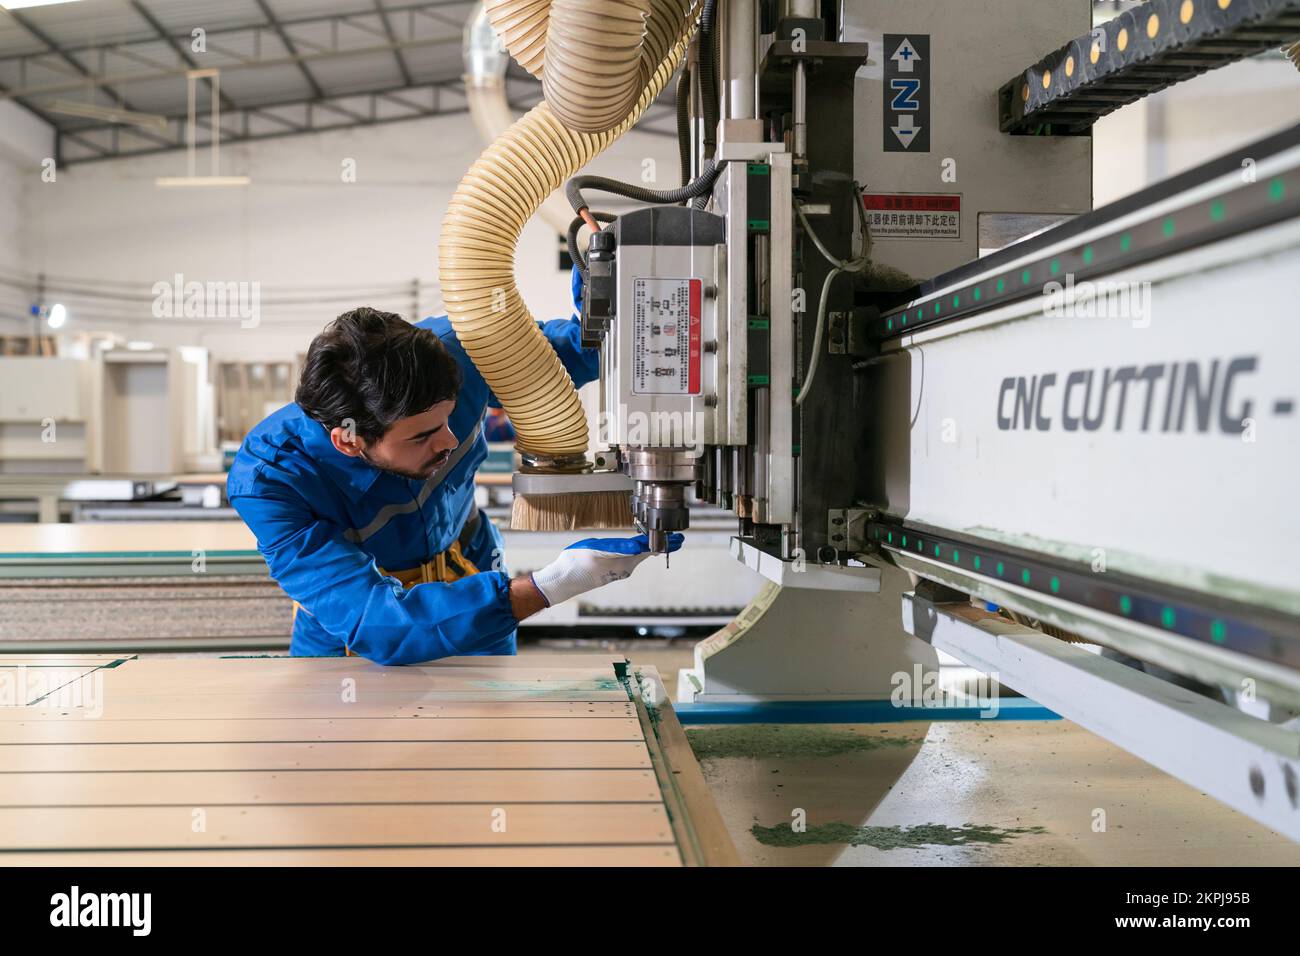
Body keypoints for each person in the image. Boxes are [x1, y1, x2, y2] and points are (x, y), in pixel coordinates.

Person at [227, 297, 678, 665]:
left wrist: (616, 314)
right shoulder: (271, 479)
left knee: (489, 737)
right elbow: (380, 623)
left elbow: (561, 359)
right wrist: (551, 585)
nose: (450, 440)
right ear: (349, 442)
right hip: (353, 628)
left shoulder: (455, 350)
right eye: (422, 435)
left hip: (471, 567)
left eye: (449, 417)